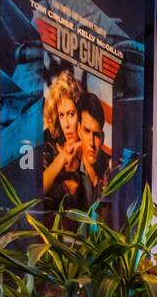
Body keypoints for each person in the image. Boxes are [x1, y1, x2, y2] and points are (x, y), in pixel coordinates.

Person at [41, 70, 83, 207]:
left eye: (71, 114)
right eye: (61, 115)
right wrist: (63, 156)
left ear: (80, 114)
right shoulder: (49, 142)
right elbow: (36, 189)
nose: (66, 124)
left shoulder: (89, 147)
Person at [73, 92, 111, 209]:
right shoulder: (70, 171)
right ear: (79, 130)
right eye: (86, 131)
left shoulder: (111, 169)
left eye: (96, 135)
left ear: (103, 137)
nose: (92, 143)